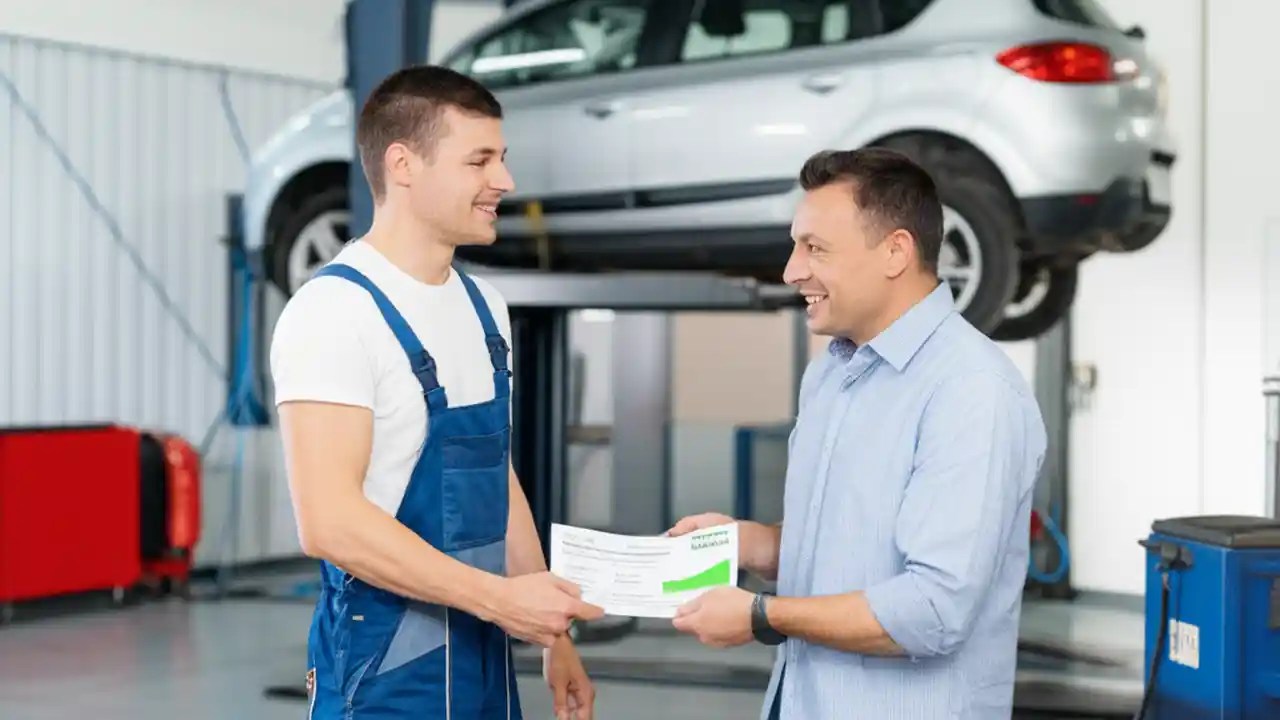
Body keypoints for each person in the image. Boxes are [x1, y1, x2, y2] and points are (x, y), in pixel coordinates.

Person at [270, 65, 602, 720]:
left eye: (502, 159)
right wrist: (499, 600)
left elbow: (493, 474)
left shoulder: (486, 309)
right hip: (382, 670)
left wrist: (552, 632)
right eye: (479, 160)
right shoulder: (334, 312)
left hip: (482, 657)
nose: (503, 181)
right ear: (404, 165)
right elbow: (329, 521)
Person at [668, 148, 1047, 719]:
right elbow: (850, 543)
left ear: (896, 251)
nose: (792, 270)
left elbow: (933, 609)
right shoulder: (832, 373)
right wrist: (748, 542)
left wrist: (761, 615)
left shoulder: (971, 390)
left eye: (815, 248)